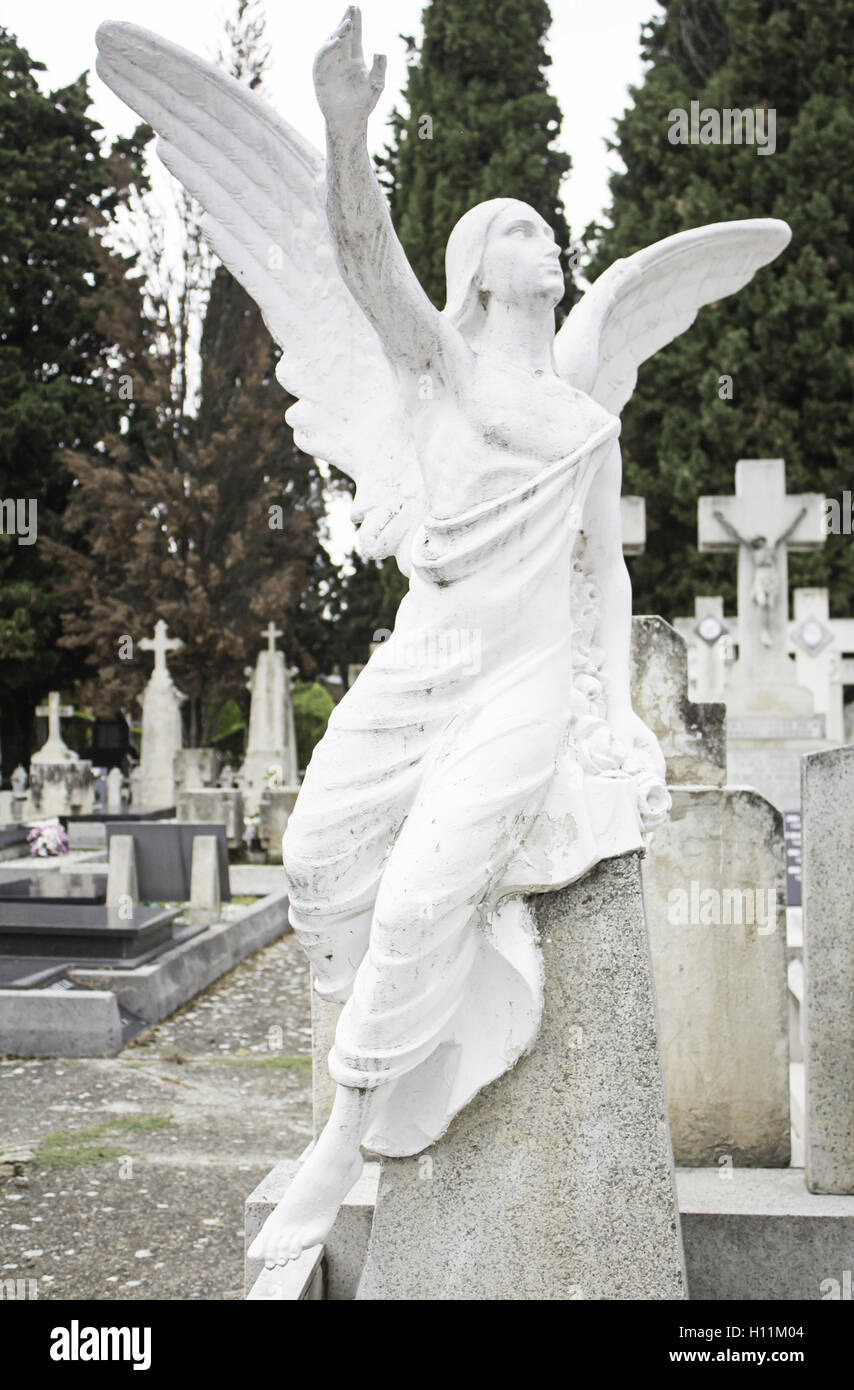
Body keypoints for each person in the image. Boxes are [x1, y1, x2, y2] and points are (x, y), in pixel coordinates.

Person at [248, 7, 665, 1268]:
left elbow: (604, 572)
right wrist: (339, 128)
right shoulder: (440, 371)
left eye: (549, 227)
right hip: (424, 666)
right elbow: (365, 258)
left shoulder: (581, 425)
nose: (547, 240)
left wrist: (613, 709)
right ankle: (368, 1075)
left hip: (523, 685)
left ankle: (341, 1143)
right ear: (481, 268)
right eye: (522, 228)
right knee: (320, 856)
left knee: (428, 894)